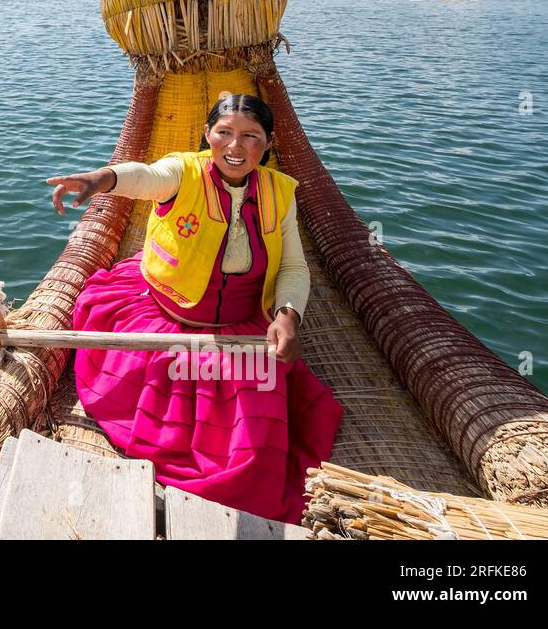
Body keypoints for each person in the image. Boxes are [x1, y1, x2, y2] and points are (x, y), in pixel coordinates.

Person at [45, 93, 344, 525]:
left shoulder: (281, 192)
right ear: (207, 135)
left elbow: (294, 265)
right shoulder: (183, 171)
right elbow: (146, 177)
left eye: (250, 137)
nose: (235, 147)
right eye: (223, 133)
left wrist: (287, 315)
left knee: (256, 452)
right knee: (163, 410)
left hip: (240, 325)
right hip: (165, 317)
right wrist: (102, 179)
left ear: (268, 144)